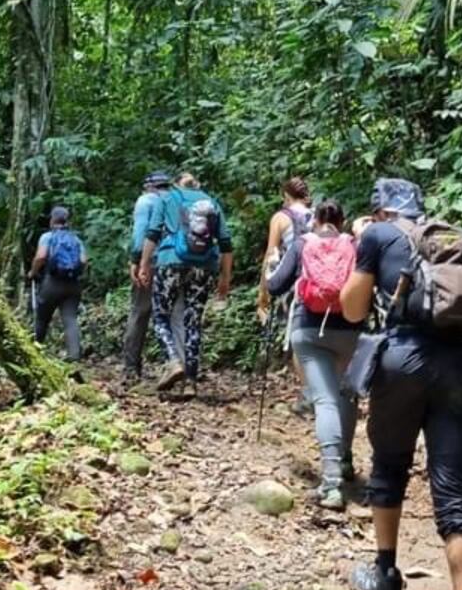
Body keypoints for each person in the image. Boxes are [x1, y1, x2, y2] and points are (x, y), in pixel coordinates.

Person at [339, 178, 462, 590]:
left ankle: (386, 577)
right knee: (455, 489)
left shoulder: (377, 236)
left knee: (390, 464)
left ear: (380, 211)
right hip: (460, 366)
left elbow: (353, 309)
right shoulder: (460, 238)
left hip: (400, 362)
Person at [265, 200, 363, 509]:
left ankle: (331, 483)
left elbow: (276, 286)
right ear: (342, 220)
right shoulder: (354, 245)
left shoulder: (303, 243)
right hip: (349, 327)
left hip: (308, 330)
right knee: (346, 394)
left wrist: (271, 264)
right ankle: (345, 459)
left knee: (324, 401)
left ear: (314, 221)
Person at [136, 172, 234, 393]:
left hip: (171, 260)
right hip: (204, 266)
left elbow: (152, 233)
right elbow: (226, 243)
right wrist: (225, 277)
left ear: (178, 184)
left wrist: (144, 263)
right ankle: (190, 381)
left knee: (161, 315)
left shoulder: (168, 198)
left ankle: (173, 361)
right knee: (193, 321)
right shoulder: (212, 202)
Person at [256, 176, 316, 414]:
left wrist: (264, 292)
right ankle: (321, 391)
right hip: (321, 282)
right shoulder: (318, 215)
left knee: (297, 340)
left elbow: (271, 255)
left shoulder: (281, 217)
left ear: (285, 196)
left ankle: (309, 395)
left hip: (293, 284)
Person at [122, 171, 183, 381]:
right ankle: (178, 363)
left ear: (149, 186)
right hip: (178, 262)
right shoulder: (178, 200)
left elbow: (141, 234)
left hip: (153, 260)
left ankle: (131, 368)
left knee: (140, 312)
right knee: (175, 314)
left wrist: (137, 261)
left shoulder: (146, 201)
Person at [30, 206, 88, 361]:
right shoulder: (75, 239)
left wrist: (33, 272)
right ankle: (74, 356)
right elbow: (83, 261)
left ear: (52, 220)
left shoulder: (47, 237)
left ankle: (35, 352)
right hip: (73, 285)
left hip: (52, 283)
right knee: (70, 319)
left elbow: (41, 257)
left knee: (42, 318)